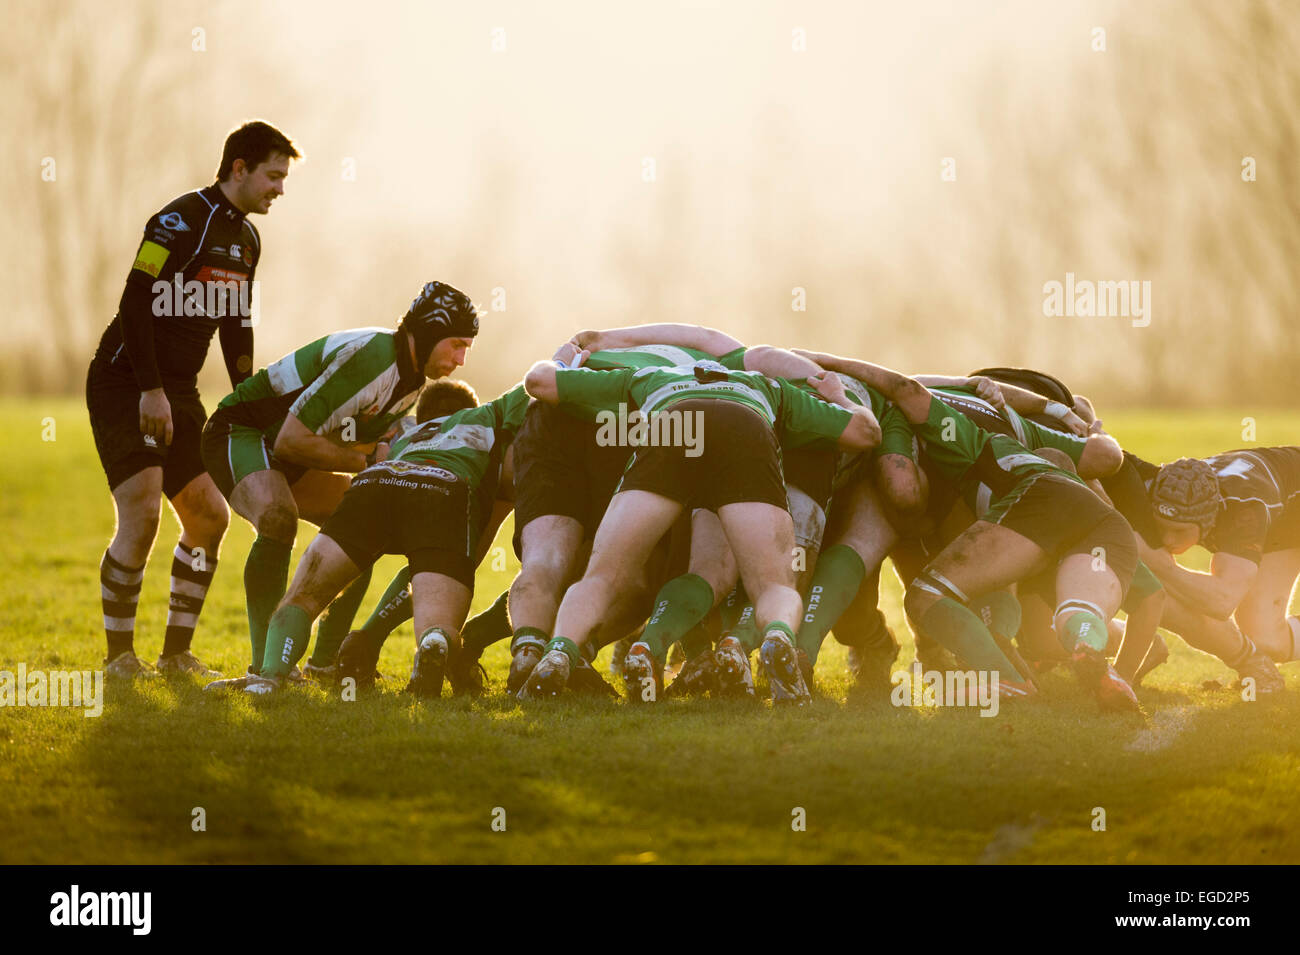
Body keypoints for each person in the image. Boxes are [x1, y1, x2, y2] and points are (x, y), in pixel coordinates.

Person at [517, 353, 881, 704]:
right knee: (772, 584)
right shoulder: (771, 387)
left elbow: (538, 381)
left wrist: (563, 359)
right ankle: (777, 637)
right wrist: (839, 397)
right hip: (744, 426)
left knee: (603, 576)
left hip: (673, 424)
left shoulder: (647, 376)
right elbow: (866, 434)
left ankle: (560, 650)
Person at [795, 349, 1142, 711]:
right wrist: (1081, 422)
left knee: (925, 595)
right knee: (1076, 611)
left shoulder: (953, 422)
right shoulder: (1020, 427)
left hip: (1033, 506)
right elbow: (1107, 459)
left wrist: (824, 362)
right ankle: (1092, 652)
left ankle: (1005, 678)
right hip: (1105, 525)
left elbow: (906, 392)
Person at [86, 120, 299, 679]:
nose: (280, 189)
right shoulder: (180, 221)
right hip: (125, 382)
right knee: (144, 512)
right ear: (239, 169)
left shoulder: (248, 241)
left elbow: (236, 325)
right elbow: (135, 305)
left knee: (209, 518)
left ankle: (176, 655)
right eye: (273, 176)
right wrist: (150, 390)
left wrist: (246, 400)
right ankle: (118, 660)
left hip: (178, 391)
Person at [200, 281, 479, 689]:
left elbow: (364, 441)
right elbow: (290, 439)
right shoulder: (375, 356)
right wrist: (366, 460)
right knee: (278, 520)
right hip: (243, 432)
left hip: (291, 452)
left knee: (357, 531)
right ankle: (265, 668)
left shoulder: (413, 378)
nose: (461, 358)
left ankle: (326, 663)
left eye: (467, 347)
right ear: (431, 333)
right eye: (456, 344)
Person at [240, 383, 529, 695]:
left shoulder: (400, 428)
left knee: (303, 596)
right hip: (444, 491)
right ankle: (434, 643)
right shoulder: (486, 417)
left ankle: (268, 678)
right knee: (437, 622)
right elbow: (531, 388)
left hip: (375, 483)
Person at [1101, 449, 1297, 691]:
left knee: (1261, 634)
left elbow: (1221, 603)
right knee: (1266, 641)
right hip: (1283, 515)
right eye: (1162, 527)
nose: (1168, 539)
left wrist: (1162, 566)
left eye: (1180, 531)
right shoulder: (1156, 488)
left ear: (1209, 521)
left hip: (1288, 506)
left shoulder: (1243, 512)